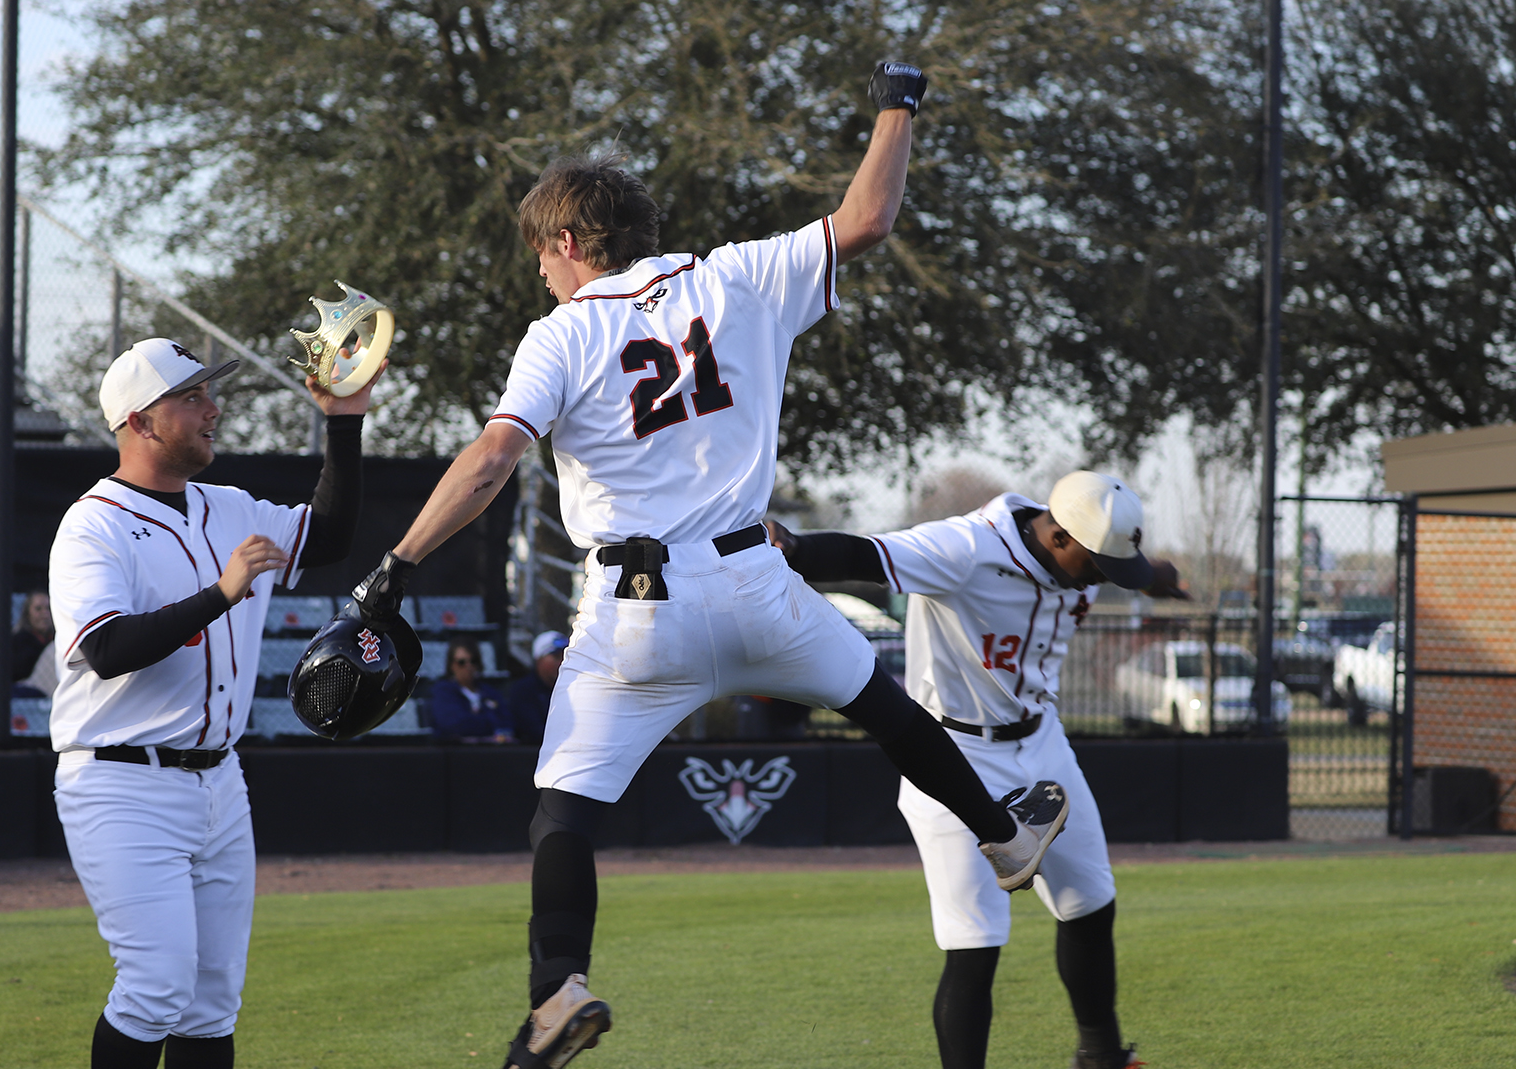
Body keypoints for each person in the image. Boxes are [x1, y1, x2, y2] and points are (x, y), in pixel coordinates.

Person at [338, 62, 1067, 1069]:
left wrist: (398, 565)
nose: (540, 275)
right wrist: (898, 100)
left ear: (564, 242)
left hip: (635, 608)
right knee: (890, 710)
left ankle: (559, 994)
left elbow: (494, 460)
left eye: (539, 256)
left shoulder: (561, 333)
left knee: (565, 809)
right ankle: (1002, 834)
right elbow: (867, 217)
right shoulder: (735, 274)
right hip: (756, 585)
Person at [767, 470, 1190, 1069]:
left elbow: (1137, 569)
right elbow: (871, 553)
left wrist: (1158, 579)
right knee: (977, 946)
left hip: (1042, 743)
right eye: (1098, 565)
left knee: (1092, 904)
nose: (1102, 578)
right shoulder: (967, 548)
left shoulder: (1087, 549)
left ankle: (1101, 1056)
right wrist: (800, 548)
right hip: (952, 756)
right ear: (1061, 539)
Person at [48, 335, 377, 1069]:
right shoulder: (93, 524)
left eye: (208, 394)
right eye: (190, 397)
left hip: (220, 782)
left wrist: (344, 420)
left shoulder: (227, 508)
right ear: (139, 420)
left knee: (210, 1002)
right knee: (156, 987)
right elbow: (106, 650)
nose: (212, 410)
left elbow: (328, 537)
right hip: (121, 780)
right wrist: (220, 594)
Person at [429, 636, 510, 741]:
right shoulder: (443, 692)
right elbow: (453, 724)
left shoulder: (489, 692)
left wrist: (474, 720)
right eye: (462, 662)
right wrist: (488, 721)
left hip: (490, 751)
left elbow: (507, 722)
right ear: (452, 665)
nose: (468, 666)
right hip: (456, 752)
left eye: (473, 661)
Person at [505, 631, 566, 748]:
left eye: (565, 657)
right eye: (556, 657)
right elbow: (534, 732)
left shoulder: (572, 690)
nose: (562, 662)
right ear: (539, 659)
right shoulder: (523, 691)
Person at [11, 590, 54, 682]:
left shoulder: (59, 640)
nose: (45, 615)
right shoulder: (18, 641)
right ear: (27, 614)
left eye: (49, 609)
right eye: (38, 609)